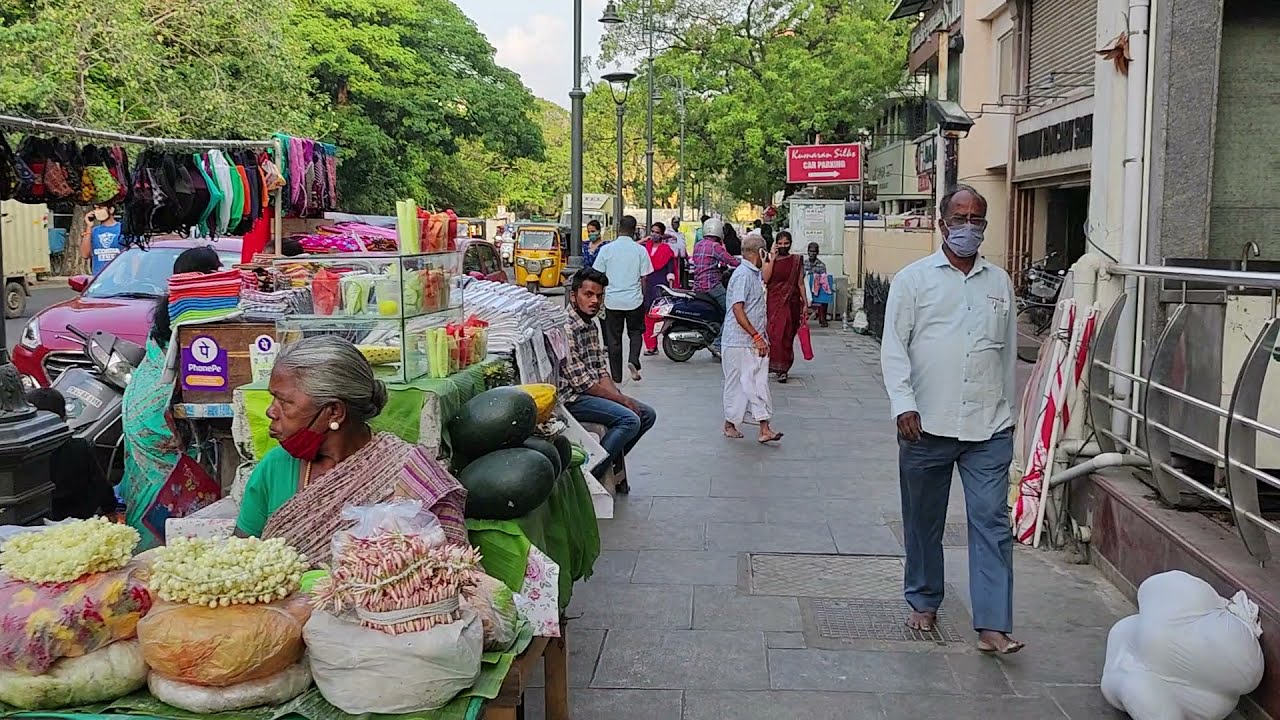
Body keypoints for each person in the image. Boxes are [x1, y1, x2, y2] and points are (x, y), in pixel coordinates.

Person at [880, 184, 1022, 655]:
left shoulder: (999, 282)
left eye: (976, 219)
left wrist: (1009, 415)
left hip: (988, 426)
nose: (968, 227)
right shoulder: (913, 280)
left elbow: (1005, 355)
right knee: (923, 521)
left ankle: (993, 624)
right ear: (942, 223)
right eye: (959, 218)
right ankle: (923, 598)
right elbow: (894, 348)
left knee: (991, 522)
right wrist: (903, 404)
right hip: (925, 426)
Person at [235, 336, 467, 561]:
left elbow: (450, 573)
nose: (270, 412)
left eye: (284, 402)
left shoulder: (412, 475)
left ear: (334, 412)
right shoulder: (275, 466)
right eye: (273, 399)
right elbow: (241, 558)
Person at [120, 246, 222, 548]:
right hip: (156, 409)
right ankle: (161, 552)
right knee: (172, 482)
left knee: (157, 483)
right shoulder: (197, 309)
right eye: (214, 271)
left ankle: (154, 549)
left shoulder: (173, 305)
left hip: (143, 398)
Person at [559, 268, 657, 479]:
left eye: (599, 296)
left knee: (646, 414)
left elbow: (600, 370)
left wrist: (621, 398)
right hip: (571, 399)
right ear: (573, 296)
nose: (595, 300)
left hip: (588, 393)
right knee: (629, 420)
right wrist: (620, 400)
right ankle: (591, 474)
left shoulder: (590, 325)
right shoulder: (565, 327)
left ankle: (608, 464)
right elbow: (582, 384)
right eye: (588, 294)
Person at [722, 234, 783, 443]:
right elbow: (737, 309)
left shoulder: (753, 273)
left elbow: (765, 278)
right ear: (760, 252)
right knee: (743, 384)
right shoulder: (742, 275)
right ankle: (733, 422)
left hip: (751, 341)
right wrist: (756, 335)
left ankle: (763, 426)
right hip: (739, 341)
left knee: (756, 383)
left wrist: (771, 258)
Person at [26, 387, 116, 520]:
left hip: (34, 523)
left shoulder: (22, 453)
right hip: (77, 523)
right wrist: (110, 510)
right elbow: (100, 485)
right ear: (63, 417)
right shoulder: (79, 447)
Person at [592, 215, 652, 382]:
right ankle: (633, 360)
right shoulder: (640, 250)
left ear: (619, 229)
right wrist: (643, 296)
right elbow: (644, 278)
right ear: (634, 231)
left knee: (614, 338)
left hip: (613, 300)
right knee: (635, 333)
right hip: (634, 300)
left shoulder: (607, 249)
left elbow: (598, 275)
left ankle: (616, 376)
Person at [691, 218, 740, 355]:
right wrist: (744, 264)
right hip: (712, 285)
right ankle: (717, 344)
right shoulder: (715, 246)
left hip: (698, 285)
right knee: (732, 310)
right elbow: (731, 260)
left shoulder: (698, 245)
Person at [763, 230, 806, 382]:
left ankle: (784, 368)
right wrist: (773, 259)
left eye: (786, 244)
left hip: (792, 302)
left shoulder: (796, 260)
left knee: (787, 335)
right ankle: (774, 364)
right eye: (780, 243)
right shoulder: (769, 259)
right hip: (774, 302)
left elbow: (800, 283)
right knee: (774, 334)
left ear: (790, 244)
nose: (783, 246)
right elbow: (766, 279)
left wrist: (805, 302)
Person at [641, 223, 677, 356]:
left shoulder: (666, 250)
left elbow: (670, 269)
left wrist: (671, 283)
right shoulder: (646, 247)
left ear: (662, 234)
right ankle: (651, 346)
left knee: (659, 315)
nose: (654, 234)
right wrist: (644, 239)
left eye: (657, 232)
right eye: (652, 231)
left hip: (660, 285)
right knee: (647, 316)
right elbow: (632, 245)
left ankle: (666, 342)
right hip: (647, 284)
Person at [80, 204, 124, 275]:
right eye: (95, 208)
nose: (97, 211)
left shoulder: (123, 229)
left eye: (100, 208)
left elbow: (134, 256)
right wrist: (89, 226)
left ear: (111, 210)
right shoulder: (94, 231)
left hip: (120, 278)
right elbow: (85, 255)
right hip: (99, 278)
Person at [803, 241, 831, 327]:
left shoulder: (821, 265)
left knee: (824, 295)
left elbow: (824, 279)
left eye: (814, 251)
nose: (812, 253)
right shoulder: (804, 264)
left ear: (817, 252)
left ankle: (823, 319)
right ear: (807, 252)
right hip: (806, 288)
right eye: (810, 251)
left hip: (817, 290)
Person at [666, 217, 688, 287]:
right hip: (672, 259)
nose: (676, 224)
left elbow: (683, 247)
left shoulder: (681, 234)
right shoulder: (668, 233)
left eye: (678, 222)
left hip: (680, 258)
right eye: (675, 222)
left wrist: (687, 258)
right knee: (673, 276)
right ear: (672, 223)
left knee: (680, 275)